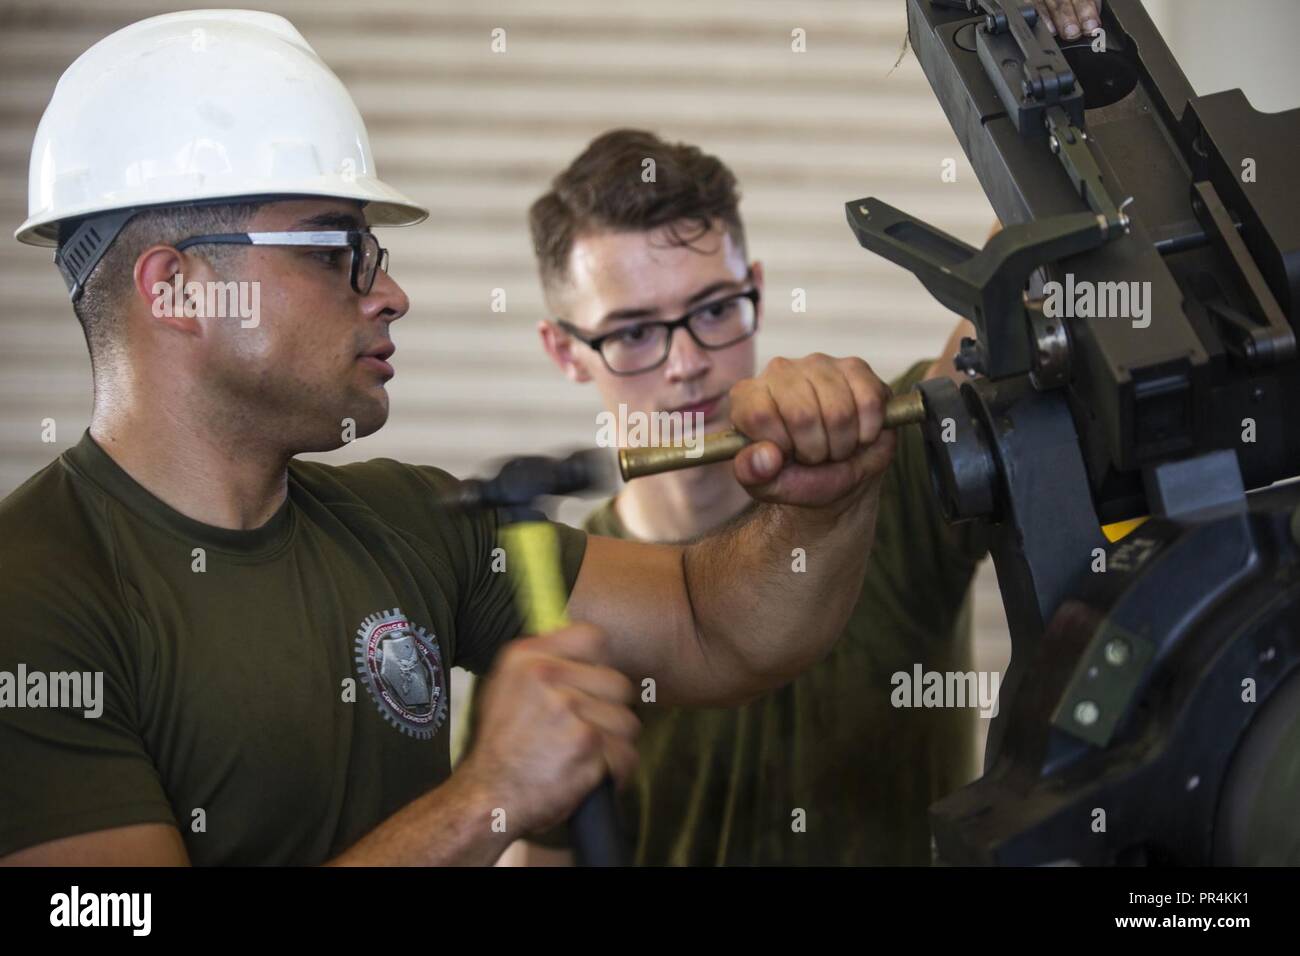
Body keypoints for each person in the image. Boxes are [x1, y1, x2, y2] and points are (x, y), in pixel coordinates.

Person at [0, 11, 898, 866]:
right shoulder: (34, 594)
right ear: (178, 289)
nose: (388, 294)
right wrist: (486, 797)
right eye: (333, 250)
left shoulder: (408, 521)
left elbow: (716, 628)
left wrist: (818, 505)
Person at [467, 128, 988, 866]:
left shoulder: (881, 459)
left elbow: (1020, 288)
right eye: (636, 332)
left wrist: (1074, 35)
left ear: (759, 292)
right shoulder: (547, 594)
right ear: (565, 351)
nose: (687, 365)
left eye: (714, 311)